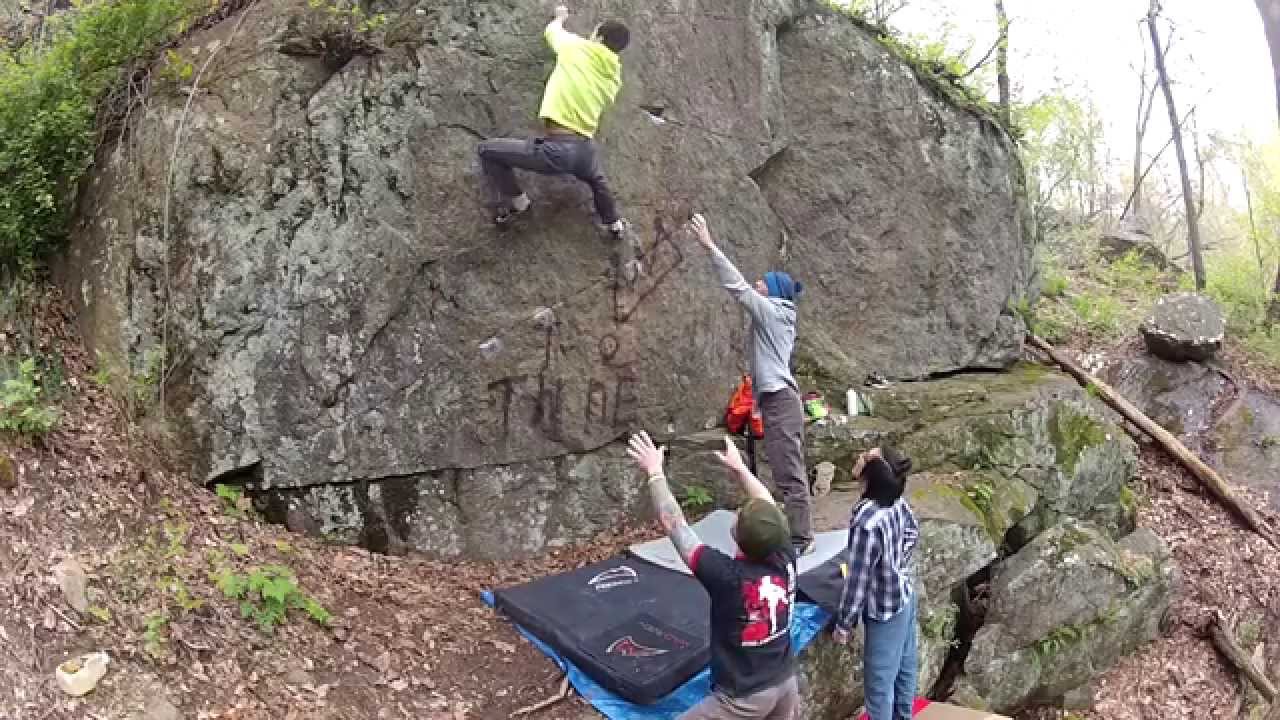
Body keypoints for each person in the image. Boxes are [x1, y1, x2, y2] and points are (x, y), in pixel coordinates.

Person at [626, 431, 799, 720]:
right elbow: (766, 503)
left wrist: (655, 473)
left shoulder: (728, 576)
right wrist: (740, 469)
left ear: (738, 534)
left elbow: (675, 526)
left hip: (743, 698)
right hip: (785, 683)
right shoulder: (785, 554)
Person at [689, 213, 812, 555]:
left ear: (772, 292)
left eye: (763, 282)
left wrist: (709, 245)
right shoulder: (775, 316)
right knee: (784, 469)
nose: (757, 283)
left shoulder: (774, 313)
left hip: (782, 403)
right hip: (776, 403)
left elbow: (738, 287)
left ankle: (802, 539)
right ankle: (791, 532)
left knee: (790, 472)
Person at [476, 5, 630, 236]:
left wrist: (560, 17)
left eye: (594, 33)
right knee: (597, 181)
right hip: (586, 150)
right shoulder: (614, 78)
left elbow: (552, 33)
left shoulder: (578, 48)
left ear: (599, 37)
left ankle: (519, 203)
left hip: (559, 148)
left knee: (487, 150)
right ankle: (614, 223)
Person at [832, 447, 920, 720]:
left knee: (879, 686)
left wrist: (844, 624)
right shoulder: (895, 499)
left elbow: (858, 580)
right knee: (905, 667)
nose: (859, 456)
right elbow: (912, 532)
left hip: (885, 610)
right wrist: (895, 565)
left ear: (870, 475)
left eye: (866, 457)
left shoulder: (866, 522)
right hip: (905, 594)